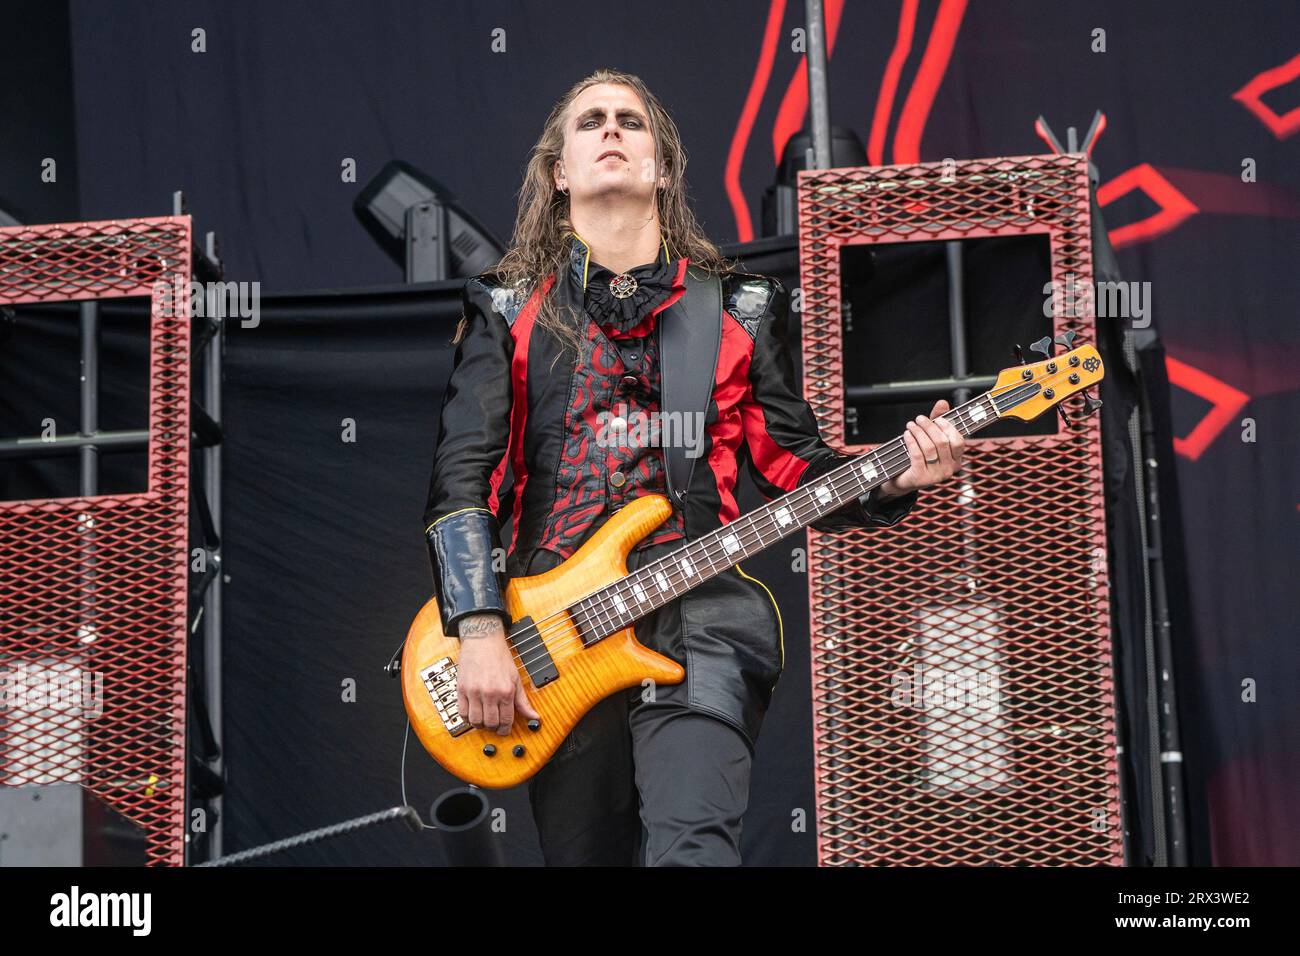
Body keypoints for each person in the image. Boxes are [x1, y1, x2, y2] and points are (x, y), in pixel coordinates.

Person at [422, 68, 965, 865]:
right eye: (591, 122)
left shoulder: (740, 306)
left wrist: (892, 478)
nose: (612, 130)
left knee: (694, 849)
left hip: (699, 612)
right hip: (551, 632)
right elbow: (464, 477)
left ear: (663, 168)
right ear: (558, 172)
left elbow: (789, 464)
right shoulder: (507, 308)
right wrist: (477, 628)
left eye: (631, 122)